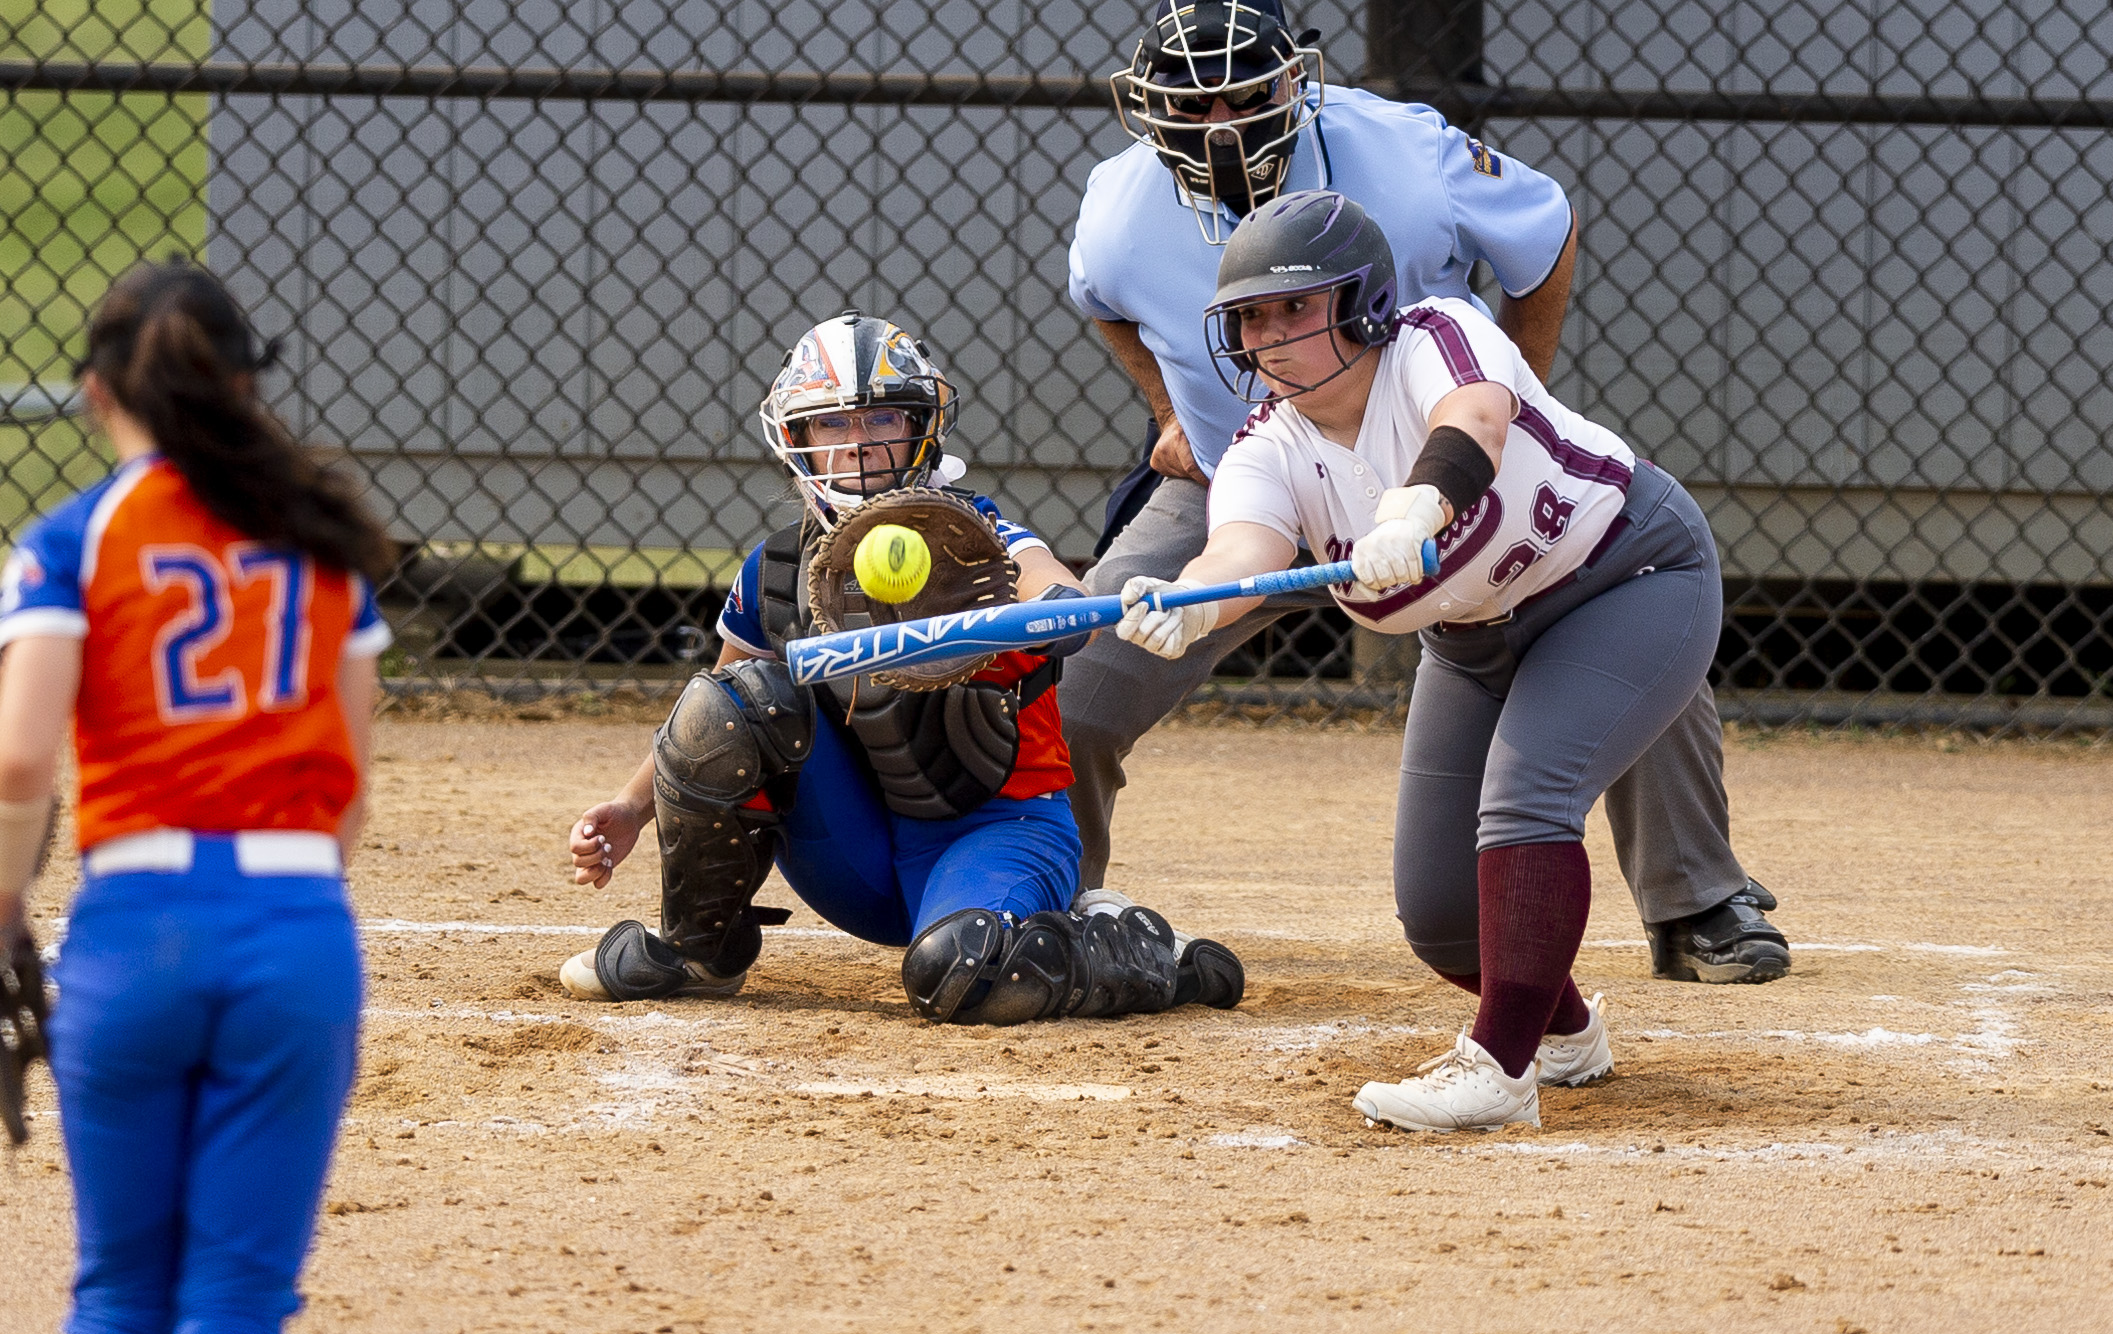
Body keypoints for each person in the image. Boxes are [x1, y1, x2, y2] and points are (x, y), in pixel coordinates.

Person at [1065, 0, 1788, 984]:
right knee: (1078, 677)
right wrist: (1169, 410)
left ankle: (1694, 893)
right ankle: (1050, 904)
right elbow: (1105, 304)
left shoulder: (1400, 153)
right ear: (1145, 110)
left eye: (1244, 94)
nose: (1221, 126)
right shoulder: (1117, 211)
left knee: (1600, 595)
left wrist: (1512, 399)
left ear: (1294, 82)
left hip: (1434, 458)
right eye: (1190, 106)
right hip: (1253, 475)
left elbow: (1545, 230)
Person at [1118, 191, 1727, 1131]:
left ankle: (1498, 1072)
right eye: (1250, 316)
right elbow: (1240, 555)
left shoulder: (1435, 335)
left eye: (1294, 307)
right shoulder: (1263, 446)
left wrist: (1416, 506)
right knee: (1440, 913)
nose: (1269, 336)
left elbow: (1474, 419)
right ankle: (1562, 1033)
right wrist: (1186, 606)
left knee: (1527, 800)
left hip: (1623, 574)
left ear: (1361, 302)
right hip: (1472, 636)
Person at [560, 312, 1243, 1024]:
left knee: (961, 973)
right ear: (795, 438)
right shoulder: (779, 569)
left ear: (922, 426)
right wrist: (630, 807)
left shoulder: (977, 537)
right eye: (832, 424)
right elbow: (705, 714)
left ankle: (1129, 948)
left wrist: (1064, 608)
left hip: (997, 827)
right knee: (735, 701)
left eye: (884, 417)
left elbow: (1044, 580)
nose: (859, 444)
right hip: (851, 851)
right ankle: (700, 948)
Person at [0, 261, 393, 1334]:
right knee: (231, 1315)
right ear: (243, 382)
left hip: (133, 925)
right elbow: (353, 788)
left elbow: (21, 758)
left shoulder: (75, 536)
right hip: (294, 922)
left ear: (92, 392)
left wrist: (5, 902)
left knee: (117, 1308)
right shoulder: (321, 536)